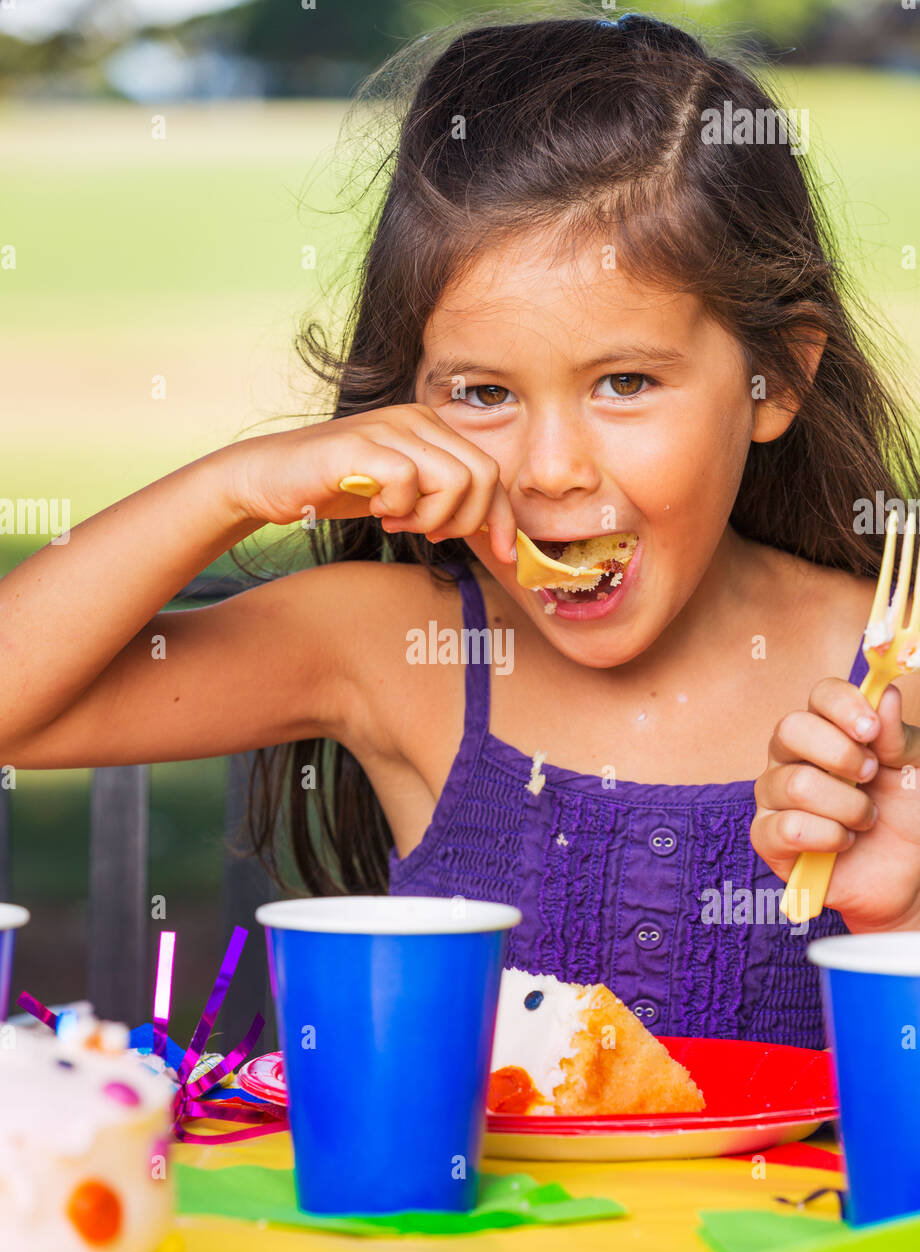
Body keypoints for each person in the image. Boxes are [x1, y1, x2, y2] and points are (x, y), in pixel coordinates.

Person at [4, 14, 920, 1047]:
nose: (549, 471)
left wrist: (899, 925)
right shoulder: (390, 649)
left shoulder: (892, 672)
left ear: (776, 378)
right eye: (481, 393)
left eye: (624, 382)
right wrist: (234, 489)